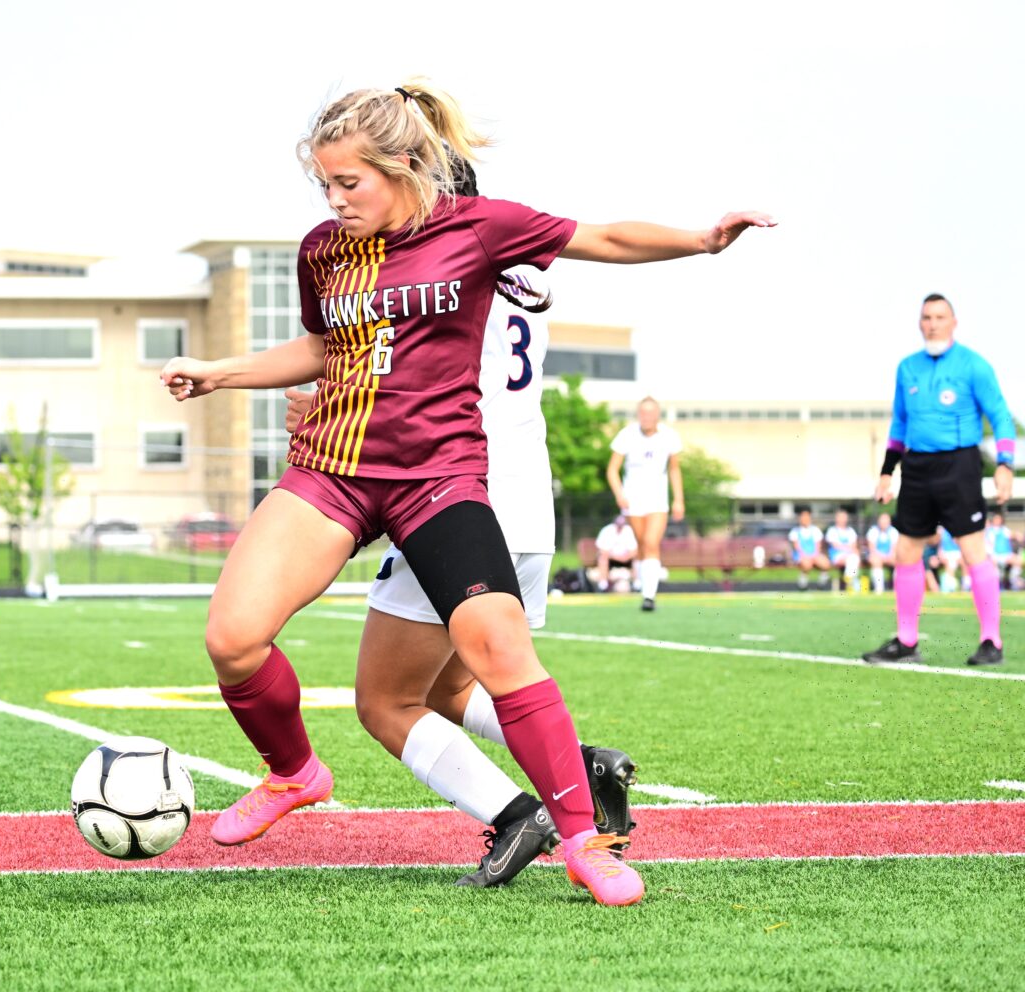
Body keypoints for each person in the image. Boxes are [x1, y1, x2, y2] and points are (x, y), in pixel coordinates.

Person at [159, 79, 773, 906]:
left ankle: (584, 843)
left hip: (437, 480)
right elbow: (323, 347)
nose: (335, 200)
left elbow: (604, 237)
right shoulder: (322, 250)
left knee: (498, 651)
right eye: (325, 185)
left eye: (350, 183)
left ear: (405, 165)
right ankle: (293, 772)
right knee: (233, 637)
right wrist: (223, 373)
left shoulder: (481, 227)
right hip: (332, 469)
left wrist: (701, 239)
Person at [285, 261, 638, 889]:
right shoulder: (517, 279)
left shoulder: (436, 275)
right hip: (531, 508)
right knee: (453, 689)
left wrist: (323, 419)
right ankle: (580, 772)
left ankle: (515, 816)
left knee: (385, 701)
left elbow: (411, 404)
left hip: (457, 504)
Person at [864, 294, 1014, 666]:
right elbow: (899, 424)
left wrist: (1005, 464)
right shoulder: (907, 368)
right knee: (906, 553)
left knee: (971, 551)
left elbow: (1001, 415)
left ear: (954, 322)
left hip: (960, 466)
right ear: (919, 323)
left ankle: (991, 641)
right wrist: (887, 472)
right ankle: (906, 641)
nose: (932, 323)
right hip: (916, 468)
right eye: (927, 317)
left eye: (940, 317)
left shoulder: (973, 366)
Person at [606, 398, 683, 611]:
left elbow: (675, 469)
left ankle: (649, 596)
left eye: (650, 413)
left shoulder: (669, 436)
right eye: (642, 413)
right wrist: (619, 494)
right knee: (641, 544)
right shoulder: (627, 435)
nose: (646, 417)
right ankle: (643, 586)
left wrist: (679, 499)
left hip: (658, 499)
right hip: (633, 499)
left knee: (651, 542)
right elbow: (612, 469)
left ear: (657, 415)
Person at [594, 515, 639, 592]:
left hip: (626, 560)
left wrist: (626, 557)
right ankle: (603, 585)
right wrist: (616, 557)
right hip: (611, 560)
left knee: (637, 559)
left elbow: (634, 550)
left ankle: (637, 584)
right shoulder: (607, 531)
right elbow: (602, 550)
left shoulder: (628, 531)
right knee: (602, 558)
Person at [788, 509, 828, 590]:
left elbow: (818, 547)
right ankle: (803, 582)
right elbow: (797, 547)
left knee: (825, 563)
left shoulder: (815, 530)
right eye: (803, 516)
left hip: (814, 555)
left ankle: (822, 582)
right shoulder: (795, 531)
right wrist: (807, 556)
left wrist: (813, 556)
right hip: (801, 555)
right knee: (807, 563)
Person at [825, 509, 861, 592]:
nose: (843, 519)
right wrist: (849, 549)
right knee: (852, 558)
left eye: (844, 517)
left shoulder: (850, 531)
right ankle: (851, 582)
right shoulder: (832, 531)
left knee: (854, 558)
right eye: (841, 517)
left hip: (850, 556)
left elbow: (854, 546)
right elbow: (835, 545)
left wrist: (852, 551)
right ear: (836, 518)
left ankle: (849, 580)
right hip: (836, 556)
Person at [984, 512, 1021, 590]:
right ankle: (998, 584)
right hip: (994, 555)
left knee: (1017, 560)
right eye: (996, 519)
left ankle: (1013, 582)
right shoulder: (988, 530)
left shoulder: (1004, 529)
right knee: (993, 565)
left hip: (1005, 554)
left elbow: (1012, 534)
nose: (997, 520)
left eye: (999, 519)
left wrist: (1018, 535)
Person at [866, 512, 898, 594]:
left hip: (890, 556)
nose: (884, 523)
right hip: (876, 556)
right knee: (876, 561)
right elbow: (872, 549)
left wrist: (890, 556)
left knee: (899, 562)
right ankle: (879, 588)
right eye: (882, 521)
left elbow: (894, 548)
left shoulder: (893, 531)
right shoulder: (873, 531)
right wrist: (882, 556)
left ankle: (897, 588)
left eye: (886, 521)